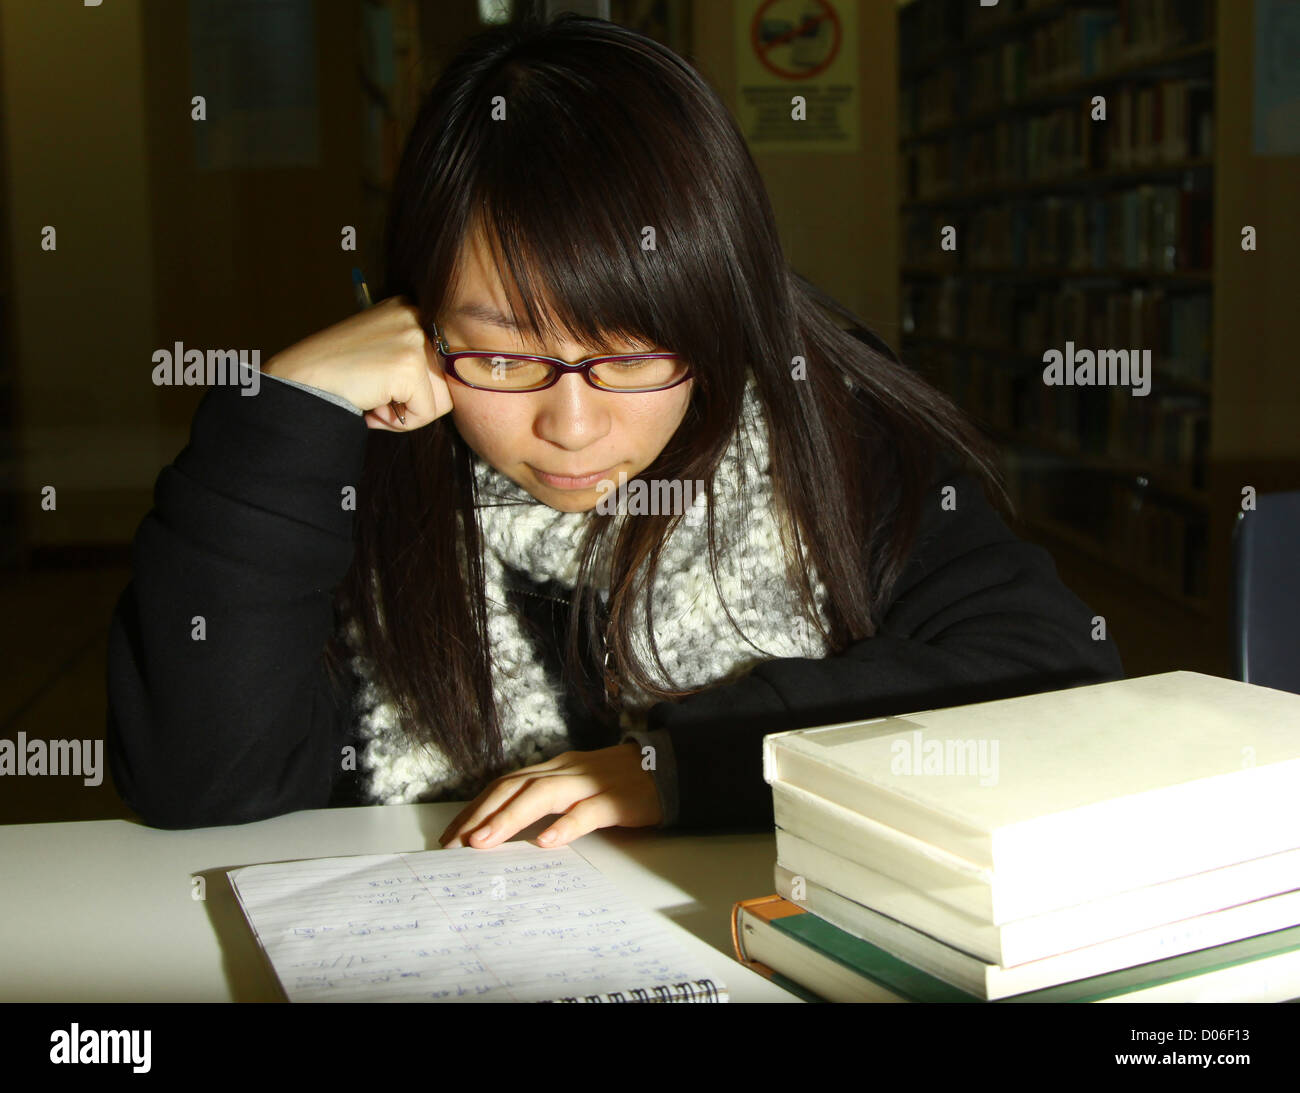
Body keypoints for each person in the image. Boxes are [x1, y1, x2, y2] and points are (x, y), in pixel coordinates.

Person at [106, 14, 1122, 842]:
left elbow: (1051, 668)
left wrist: (684, 767)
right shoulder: (345, 464)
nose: (572, 424)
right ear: (417, 314)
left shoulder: (833, 441)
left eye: (634, 355)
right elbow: (203, 781)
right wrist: (284, 407)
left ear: (719, 320)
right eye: (502, 356)